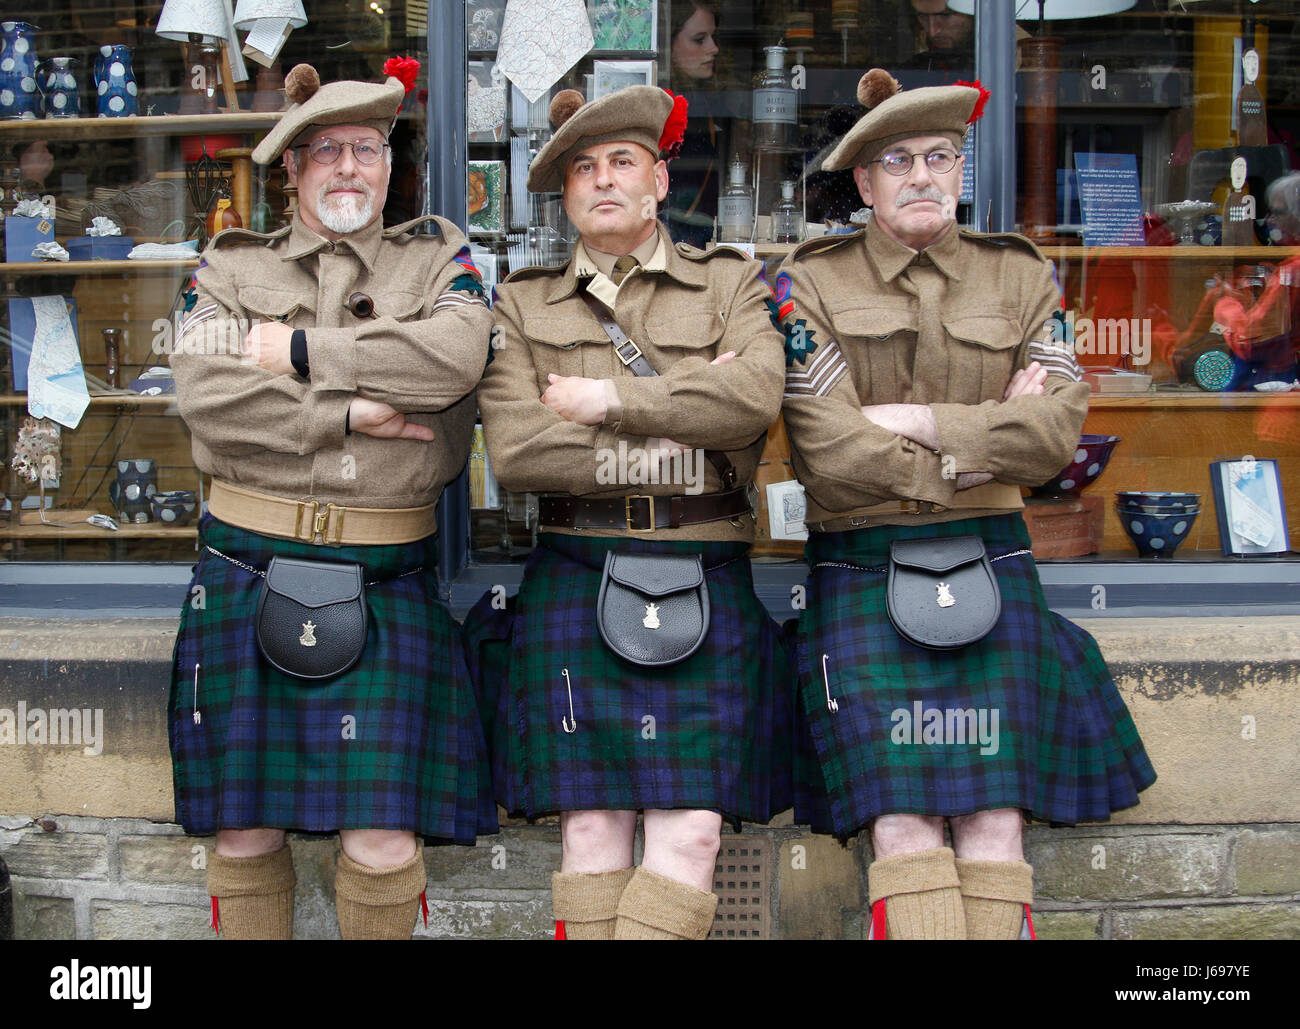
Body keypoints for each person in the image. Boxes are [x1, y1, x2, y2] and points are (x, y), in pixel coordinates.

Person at [777, 70, 1156, 939]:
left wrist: (914, 422)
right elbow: (828, 454)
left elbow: (1055, 435)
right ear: (863, 183)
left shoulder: (1022, 278)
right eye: (897, 159)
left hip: (992, 558)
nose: (922, 175)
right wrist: (983, 443)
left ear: (962, 169)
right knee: (900, 819)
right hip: (860, 559)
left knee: (996, 817)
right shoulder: (803, 286)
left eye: (940, 156)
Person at [168, 61, 496, 940]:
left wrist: (299, 352)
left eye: (368, 147)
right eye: (327, 150)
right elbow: (208, 397)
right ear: (292, 169)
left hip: (387, 570)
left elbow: (454, 360)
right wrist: (352, 408)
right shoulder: (227, 269)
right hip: (247, 564)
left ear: (391, 166)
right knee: (242, 831)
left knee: (385, 835)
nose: (349, 166)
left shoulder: (442, 261)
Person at [467, 85, 789, 939]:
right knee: (589, 826)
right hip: (579, 565)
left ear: (659, 178)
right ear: (564, 192)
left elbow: (753, 399)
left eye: (621, 161)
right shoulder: (523, 301)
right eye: (583, 166)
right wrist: (690, 427)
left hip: (708, 568)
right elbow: (521, 455)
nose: (602, 179)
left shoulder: (731, 280)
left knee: (694, 828)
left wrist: (603, 399)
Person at [665, 1, 726, 247]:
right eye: (700, 39)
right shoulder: (664, 105)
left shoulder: (705, 103)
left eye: (712, 37)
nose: (714, 48)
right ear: (668, 45)